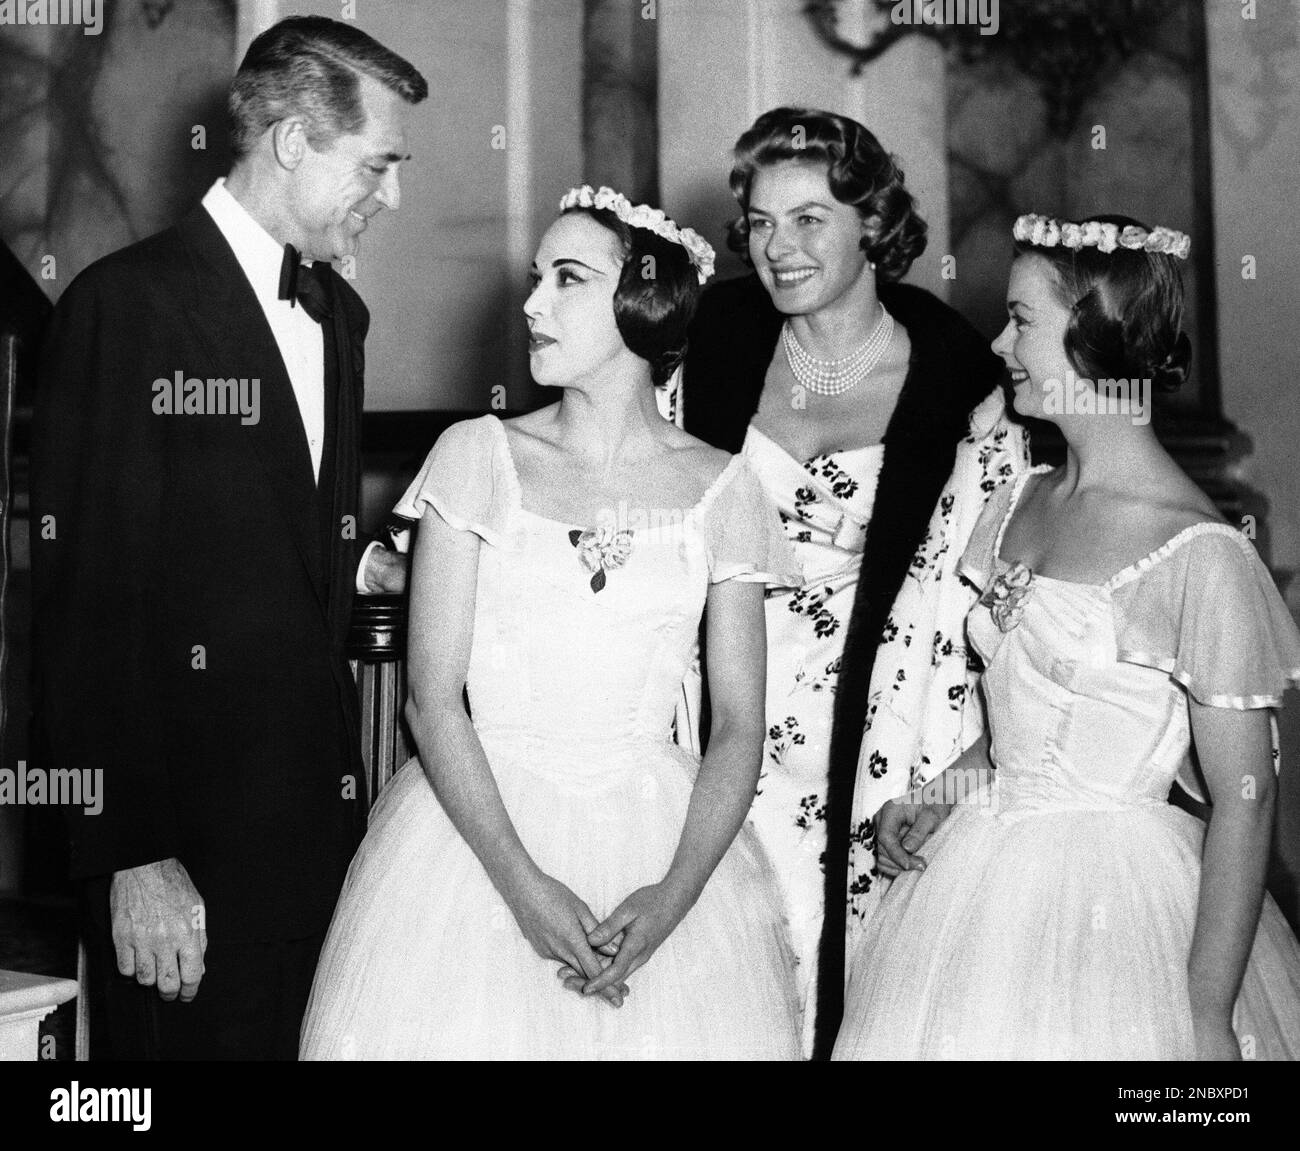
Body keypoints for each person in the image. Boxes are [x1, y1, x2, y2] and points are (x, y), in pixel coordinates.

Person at [299, 186, 802, 1060]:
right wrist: (525, 889)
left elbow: (740, 727)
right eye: (536, 278)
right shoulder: (474, 456)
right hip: (478, 849)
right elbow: (432, 701)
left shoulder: (726, 487)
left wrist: (673, 898)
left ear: (642, 299)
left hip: (659, 848)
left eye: (568, 278)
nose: (532, 303)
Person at [29, 16, 425, 1060]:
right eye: (377, 164)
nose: (391, 197)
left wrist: (371, 562)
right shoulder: (127, 306)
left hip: (313, 842)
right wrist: (133, 856)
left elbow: (274, 541)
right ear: (293, 141)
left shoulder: (339, 317)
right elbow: (87, 606)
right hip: (183, 863)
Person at [833, 214, 1300, 1060]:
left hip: (1119, 912)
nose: (999, 340)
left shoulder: (1197, 553)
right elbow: (1024, 723)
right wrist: (938, 795)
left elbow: (1247, 799)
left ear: (1095, 331)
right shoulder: (1021, 501)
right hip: (978, 893)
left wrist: (1204, 1011)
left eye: (1022, 319)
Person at [681, 106, 1027, 1056]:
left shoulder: (959, 377)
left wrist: (957, 783)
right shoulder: (707, 345)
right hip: (722, 727)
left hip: (894, 738)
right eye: (757, 222)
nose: (776, 248)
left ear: (871, 220)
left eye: (807, 219)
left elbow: (1001, 596)